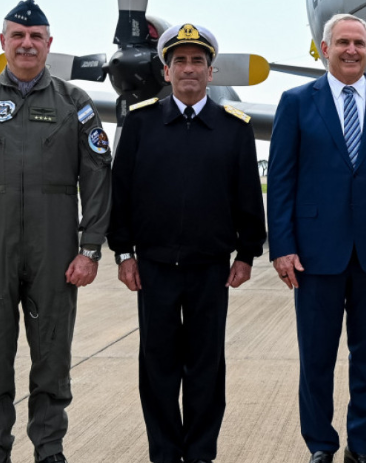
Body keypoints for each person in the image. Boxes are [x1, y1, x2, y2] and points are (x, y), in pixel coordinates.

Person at [0, 0, 112, 463]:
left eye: (35, 37)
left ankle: (49, 449)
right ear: (4, 41)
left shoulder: (75, 103)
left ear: (49, 44)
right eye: (17, 35)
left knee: (52, 353)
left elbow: (98, 178)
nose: (26, 44)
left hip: (54, 247)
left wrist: (90, 248)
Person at [267, 13, 366, 463]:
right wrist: (282, 246)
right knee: (315, 359)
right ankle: (321, 444)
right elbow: (280, 180)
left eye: (358, 43)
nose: (351, 50)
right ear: (324, 47)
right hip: (314, 255)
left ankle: (361, 447)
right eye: (342, 43)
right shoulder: (297, 102)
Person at [108, 23, 267, 463]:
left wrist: (248, 253)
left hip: (210, 268)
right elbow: (120, 193)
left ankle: (199, 453)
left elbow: (248, 197)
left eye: (198, 61)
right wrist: (123, 253)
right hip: (154, 267)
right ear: (166, 71)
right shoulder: (140, 123)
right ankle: (164, 452)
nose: (189, 69)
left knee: (206, 368)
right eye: (180, 60)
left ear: (211, 72)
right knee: (157, 368)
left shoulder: (234, 128)